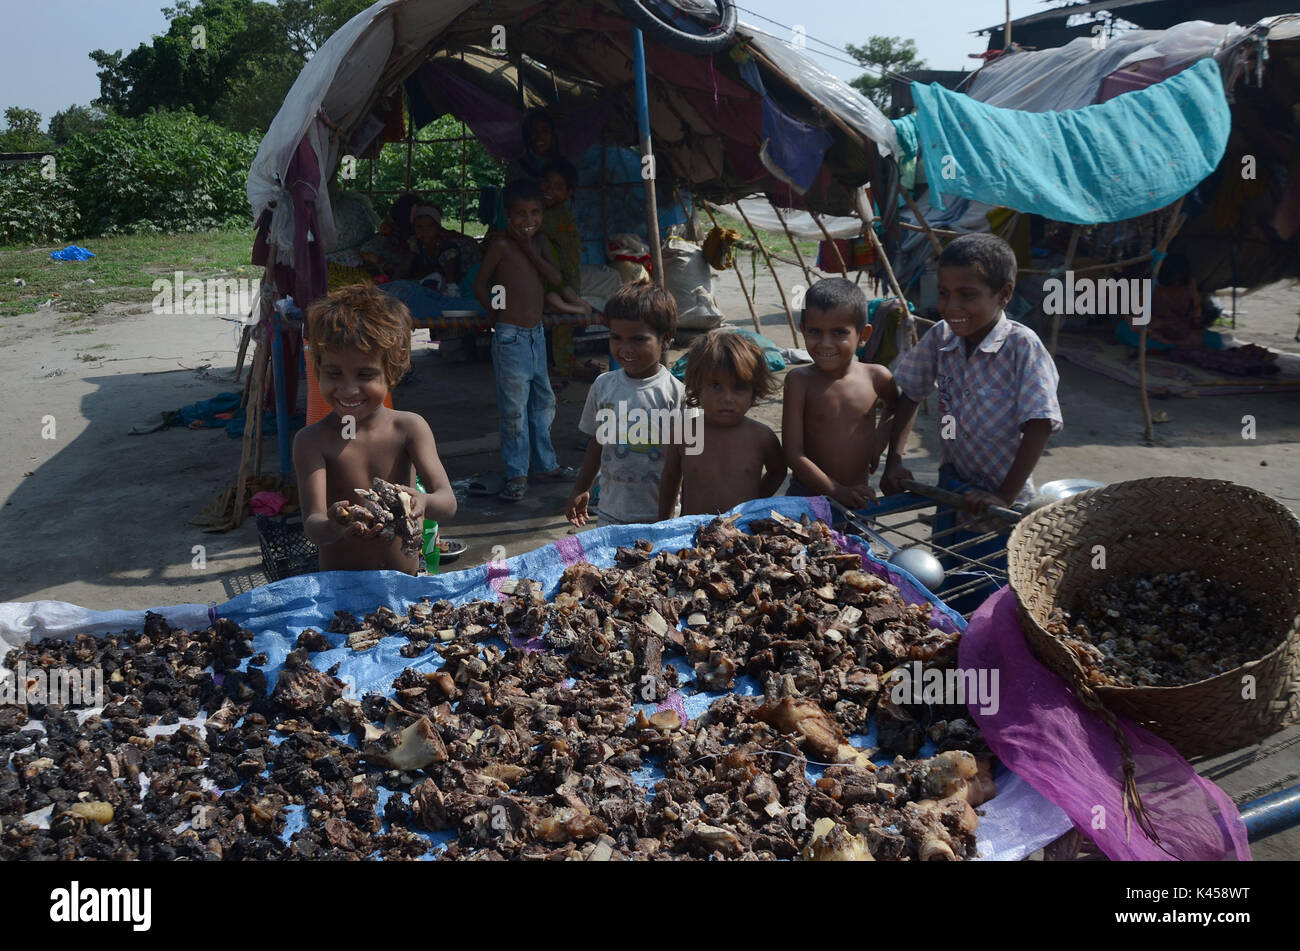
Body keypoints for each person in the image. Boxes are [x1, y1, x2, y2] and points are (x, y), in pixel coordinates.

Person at [880, 233, 1062, 516]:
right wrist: (894, 460)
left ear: (1004, 294)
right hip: (952, 482)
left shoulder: (1022, 347)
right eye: (944, 293)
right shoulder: (941, 335)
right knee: (947, 556)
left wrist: (1003, 495)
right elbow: (910, 394)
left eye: (967, 295)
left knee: (993, 559)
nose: (952, 306)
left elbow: (1040, 424)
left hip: (1005, 499)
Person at [293, 284, 457, 573]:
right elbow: (313, 526)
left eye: (365, 374)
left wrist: (423, 502)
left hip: (405, 581)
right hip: (340, 590)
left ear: (391, 373)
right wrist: (334, 524)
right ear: (318, 369)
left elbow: (447, 501)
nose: (348, 389)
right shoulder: (311, 441)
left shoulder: (408, 428)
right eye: (333, 373)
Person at [473, 180, 574, 502]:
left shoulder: (540, 242)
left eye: (534, 212)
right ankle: (517, 472)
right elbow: (480, 283)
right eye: (520, 214)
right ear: (507, 215)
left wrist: (529, 247)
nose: (528, 219)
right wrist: (494, 314)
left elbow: (556, 278)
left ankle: (545, 465)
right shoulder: (501, 246)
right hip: (511, 337)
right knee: (514, 410)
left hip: (536, 336)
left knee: (543, 403)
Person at [568, 282, 685, 526]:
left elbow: (690, 462)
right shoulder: (603, 385)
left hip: (660, 516)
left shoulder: (678, 393)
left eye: (638, 339)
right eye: (616, 338)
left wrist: (672, 519)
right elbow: (597, 442)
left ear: (665, 340)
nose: (625, 349)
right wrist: (582, 487)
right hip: (611, 512)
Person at [782, 278, 898, 510]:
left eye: (839, 333)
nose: (825, 343)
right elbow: (793, 454)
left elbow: (895, 409)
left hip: (858, 495)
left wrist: (879, 443)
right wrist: (836, 491)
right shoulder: (799, 381)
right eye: (815, 332)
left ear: (863, 335)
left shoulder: (877, 377)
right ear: (803, 330)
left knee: (855, 547)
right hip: (807, 497)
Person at [659, 330, 785, 518]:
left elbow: (778, 471)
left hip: (742, 533)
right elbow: (670, 480)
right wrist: (663, 523)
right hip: (694, 535)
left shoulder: (762, 437)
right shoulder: (686, 433)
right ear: (697, 385)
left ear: (754, 391)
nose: (727, 398)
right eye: (715, 386)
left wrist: (755, 503)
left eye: (738, 388)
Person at [540, 159, 591, 317]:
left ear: (569, 192)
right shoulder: (559, 212)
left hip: (562, 281)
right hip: (566, 282)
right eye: (546, 183)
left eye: (558, 187)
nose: (549, 190)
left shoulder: (552, 217)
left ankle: (571, 305)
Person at [400, 203, 480, 289]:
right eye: (419, 227)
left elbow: (450, 274)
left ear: (438, 228)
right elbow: (405, 266)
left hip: (468, 276)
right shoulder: (416, 243)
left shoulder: (447, 247)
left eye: (430, 226)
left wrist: (451, 288)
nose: (424, 231)